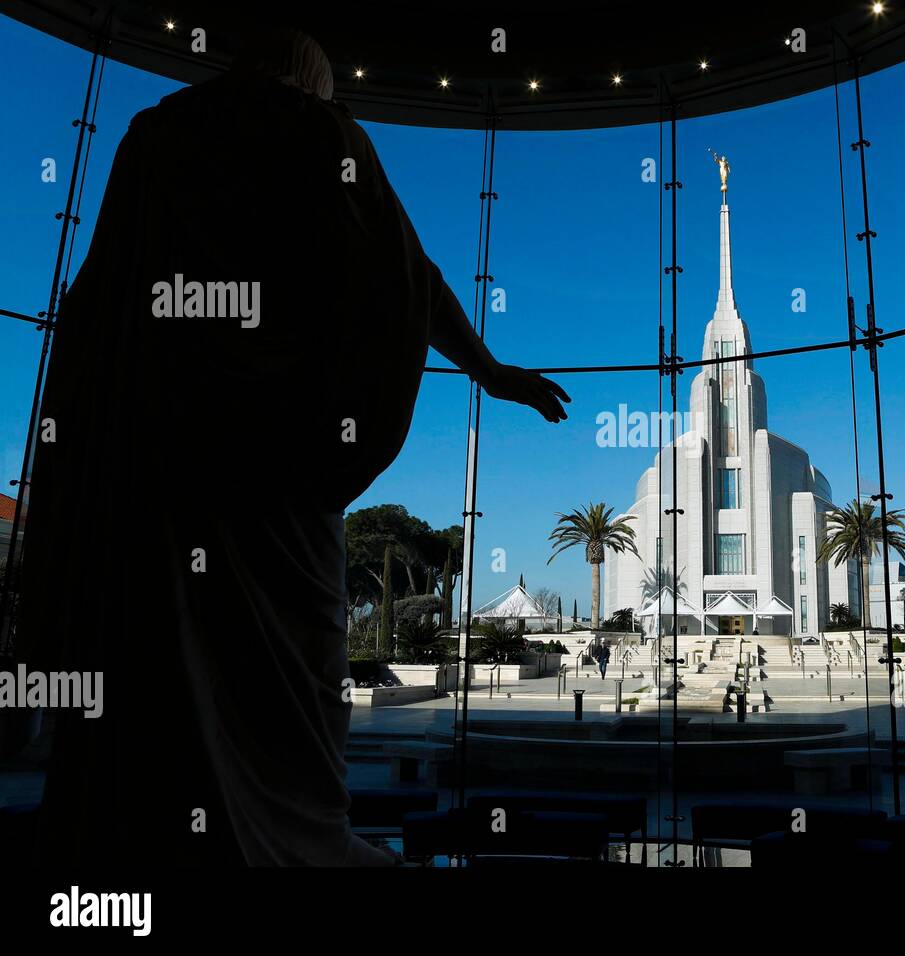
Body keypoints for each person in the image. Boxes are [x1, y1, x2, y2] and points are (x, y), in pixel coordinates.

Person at [15, 28, 568, 866]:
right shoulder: (321, 135)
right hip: (275, 468)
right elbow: (407, 279)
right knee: (296, 669)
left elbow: (99, 305)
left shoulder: (154, 135)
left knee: (161, 648)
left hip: (159, 459)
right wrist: (485, 368)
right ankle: (292, 837)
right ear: (313, 77)